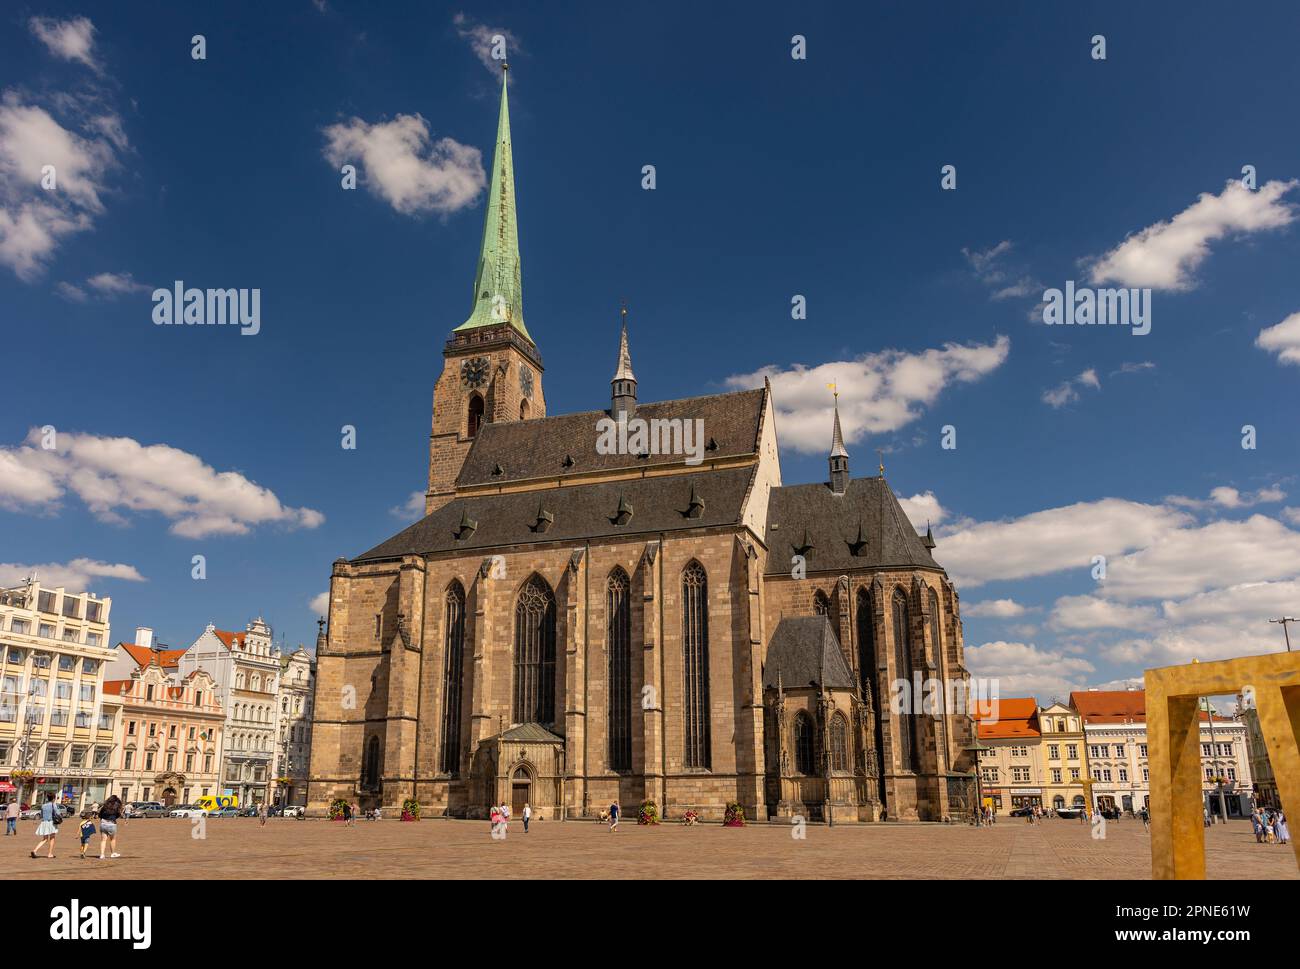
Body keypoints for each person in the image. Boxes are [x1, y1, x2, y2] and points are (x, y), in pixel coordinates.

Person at [31, 792, 59, 858]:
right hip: (51, 823)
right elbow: (58, 814)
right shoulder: (54, 805)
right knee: (52, 838)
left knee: (45, 839)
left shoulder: (43, 805)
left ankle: (35, 850)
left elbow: (41, 815)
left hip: (44, 823)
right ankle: (50, 854)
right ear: (54, 798)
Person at [97, 795, 123, 859]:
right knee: (112, 839)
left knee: (103, 840)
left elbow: (100, 814)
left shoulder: (105, 806)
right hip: (112, 824)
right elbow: (118, 815)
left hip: (103, 823)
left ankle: (102, 854)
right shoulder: (116, 806)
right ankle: (113, 853)